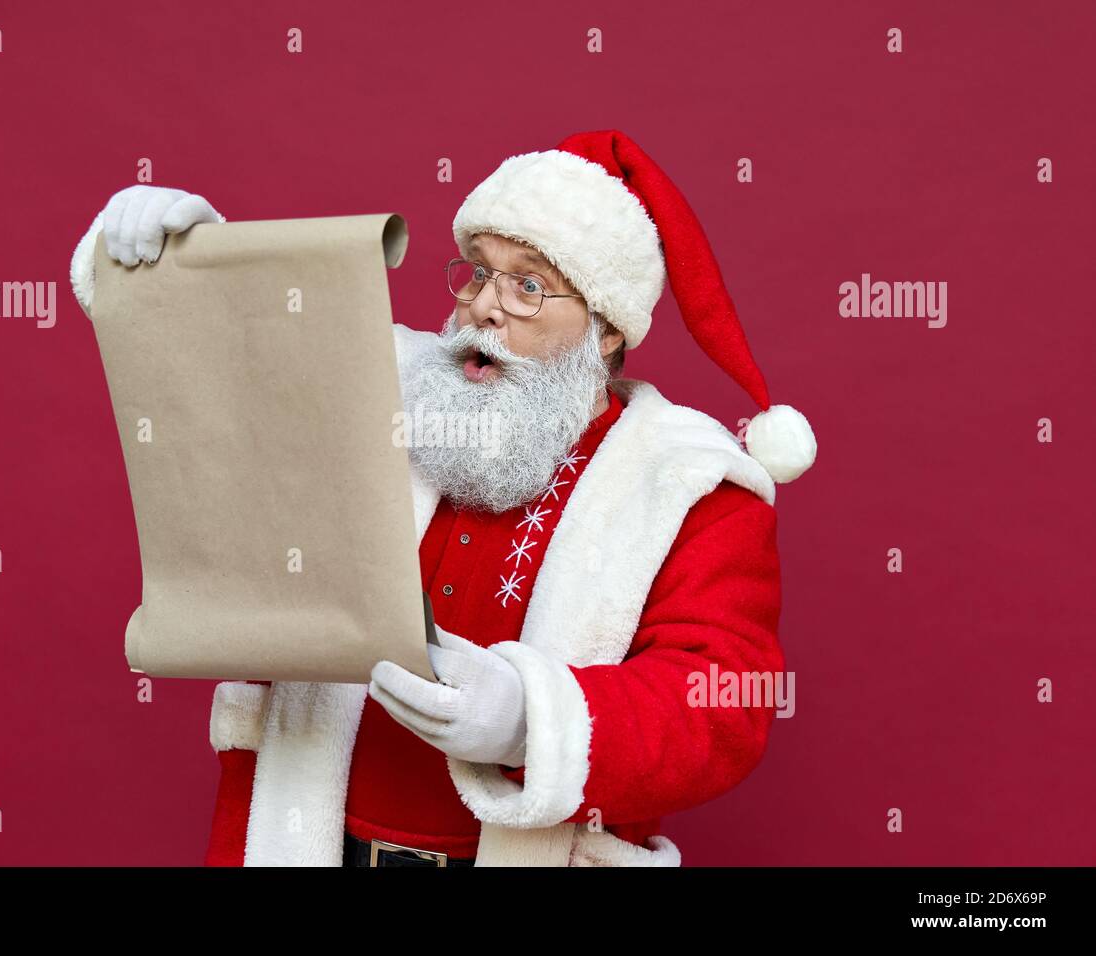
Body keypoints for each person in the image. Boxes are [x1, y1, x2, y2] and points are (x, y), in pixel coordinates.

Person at [69, 129, 817, 867]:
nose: (486, 308)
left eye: (529, 285)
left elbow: (720, 704)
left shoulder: (687, 483)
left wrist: (531, 721)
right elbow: (229, 387)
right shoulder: (378, 382)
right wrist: (183, 269)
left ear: (609, 328)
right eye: (479, 273)